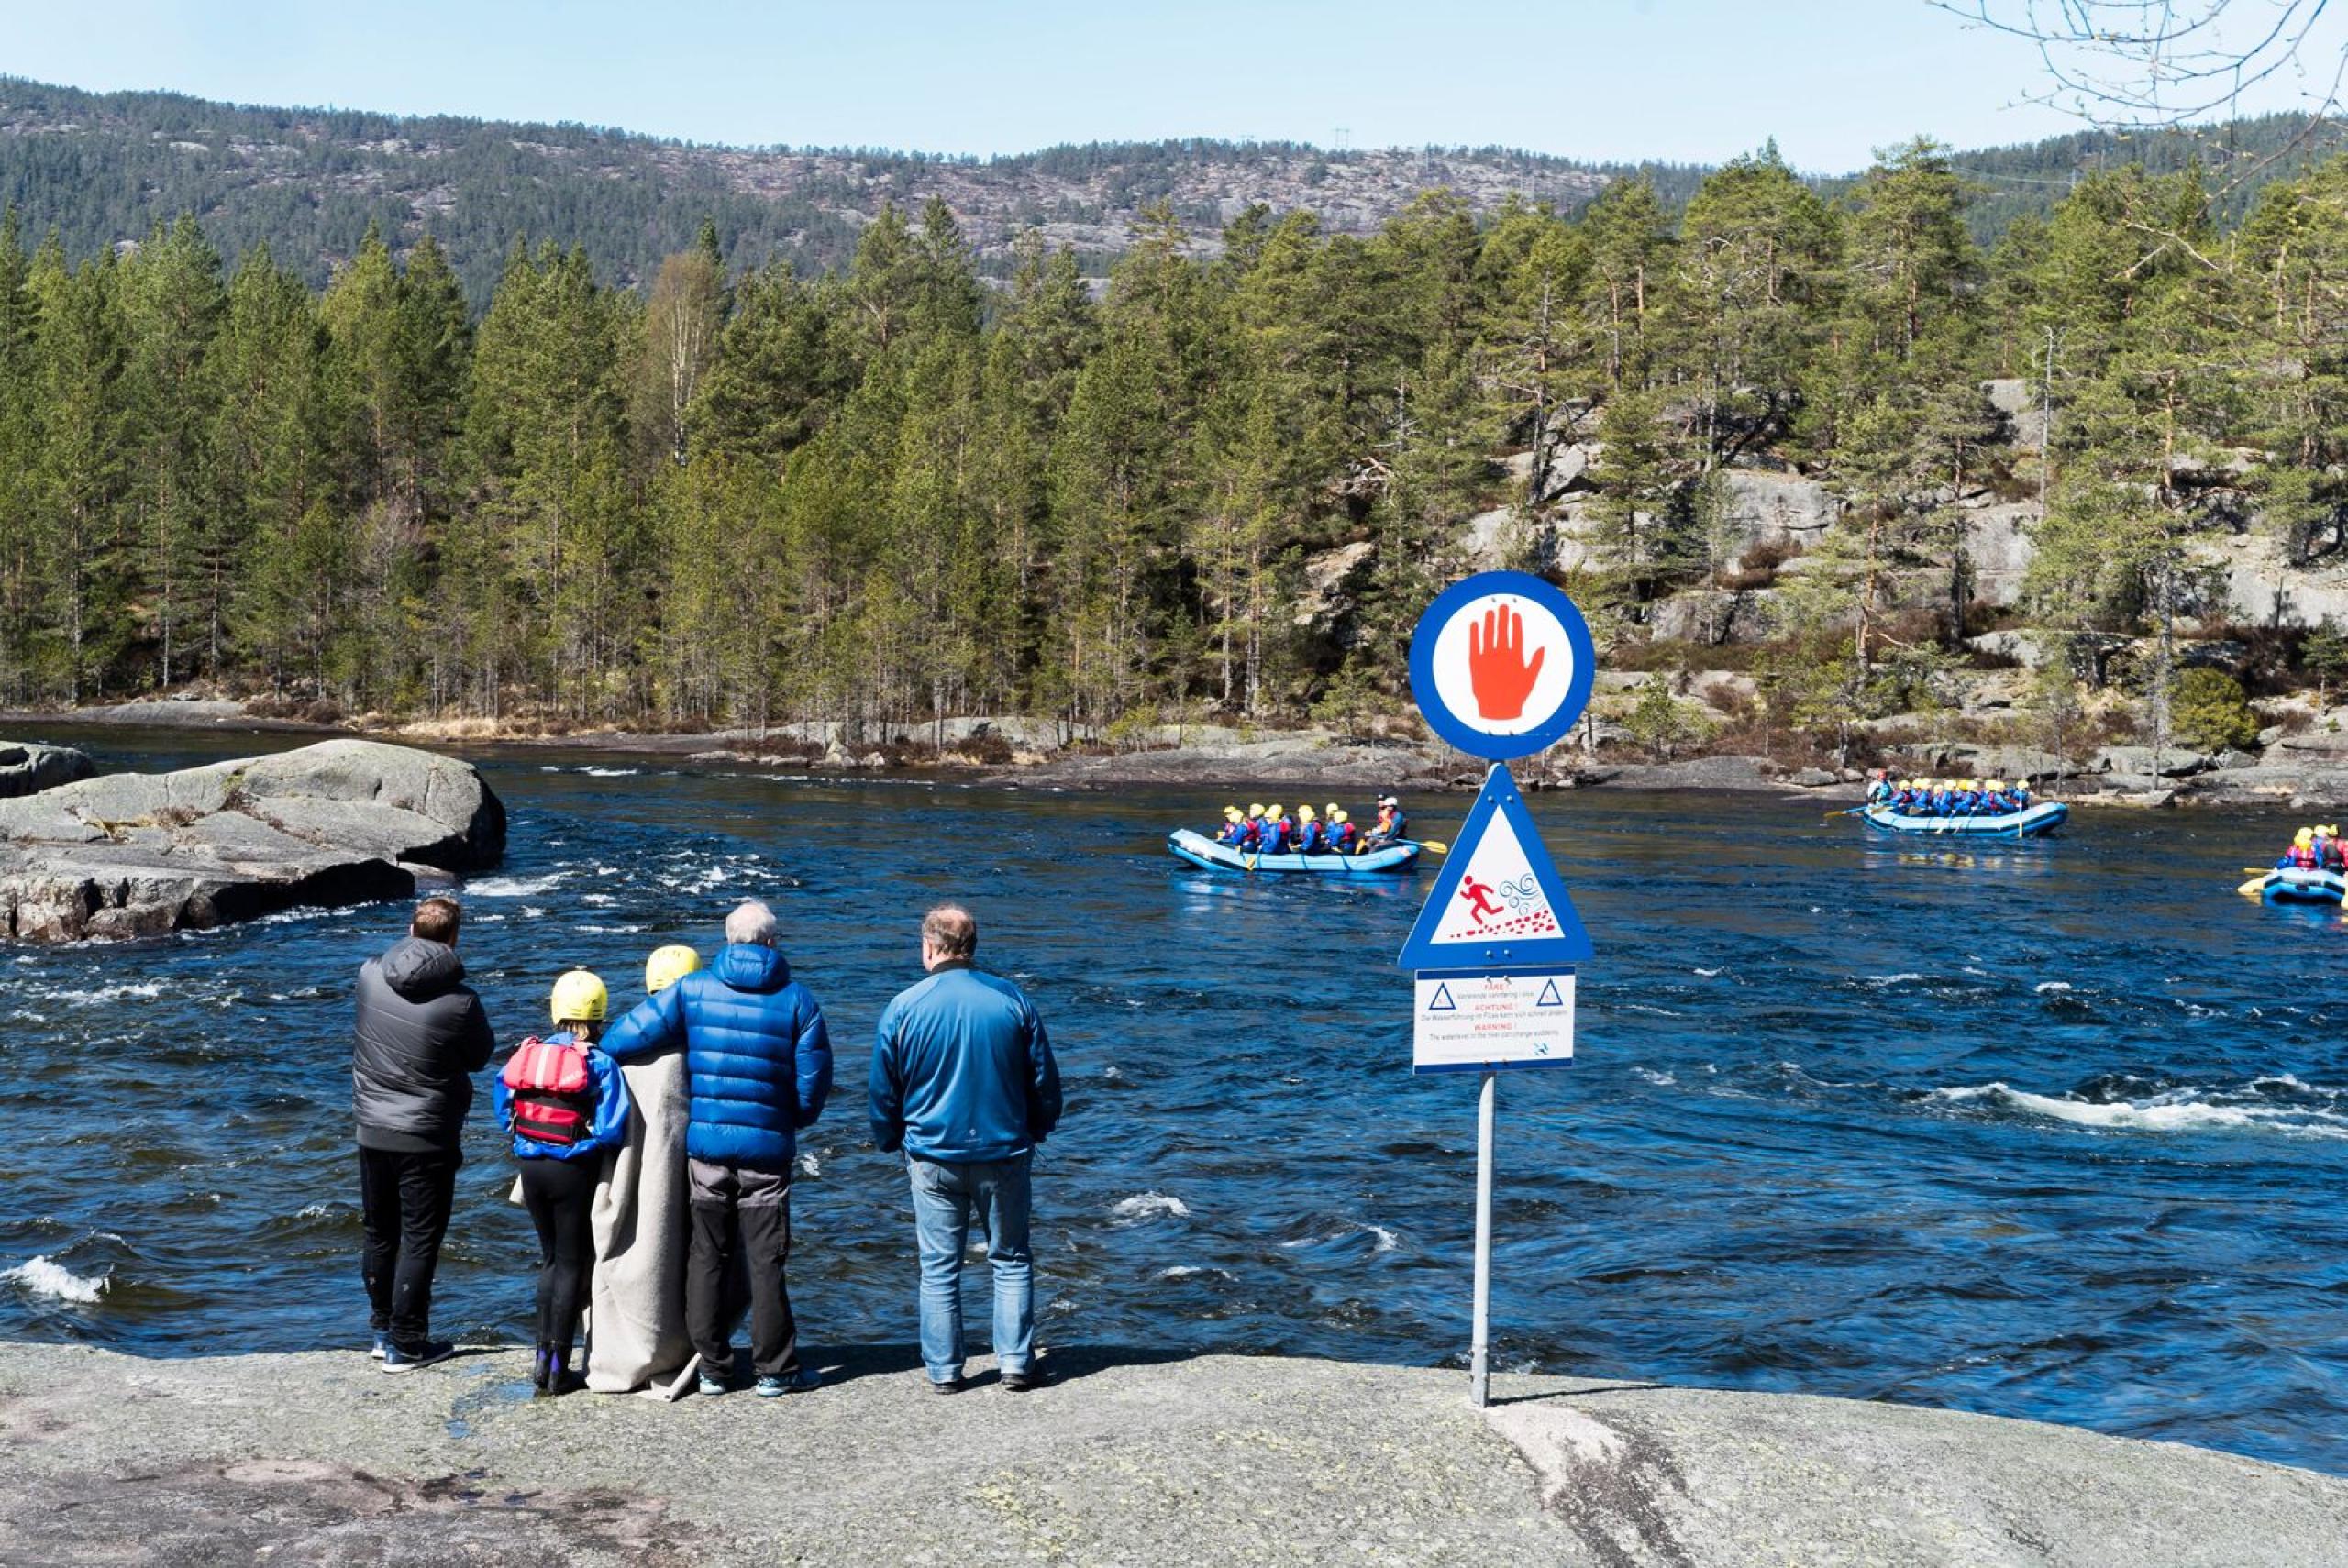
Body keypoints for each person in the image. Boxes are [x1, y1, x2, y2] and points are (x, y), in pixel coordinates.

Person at [604, 900, 833, 1398]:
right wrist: (783, 1119)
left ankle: (713, 1369)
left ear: (728, 939)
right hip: (766, 1156)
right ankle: (776, 1370)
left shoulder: (693, 989)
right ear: (774, 942)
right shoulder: (799, 1001)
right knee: (766, 1261)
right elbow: (813, 1089)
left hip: (705, 1150)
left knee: (706, 1255)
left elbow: (621, 1038)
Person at [869, 905, 1063, 1394]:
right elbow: (1044, 1084)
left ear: (929, 947)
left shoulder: (905, 1005)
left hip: (932, 1154)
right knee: (1012, 1258)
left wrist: (890, 1138)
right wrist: (1037, 1130)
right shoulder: (1012, 999)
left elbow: (883, 1092)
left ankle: (944, 1372)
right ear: (971, 947)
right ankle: (1017, 1363)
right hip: (1004, 1152)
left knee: (939, 1268)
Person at [351, 895, 494, 1373]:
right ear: (453, 939)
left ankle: (380, 1330)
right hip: (427, 1133)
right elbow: (479, 1057)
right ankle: (408, 1343)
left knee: (379, 1233)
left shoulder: (370, 975)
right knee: (418, 1239)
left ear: (411, 930)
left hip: (371, 1127)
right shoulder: (461, 1002)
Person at [494, 969, 633, 1397]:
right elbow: (612, 1128)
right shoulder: (599, 1063)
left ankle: (540, 1360)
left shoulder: (529, 1054)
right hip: (574, 1172)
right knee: (575, 1263)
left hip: (531, 1171)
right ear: (600, 1015)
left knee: (550, 1260)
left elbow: (505, 1112)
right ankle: (559, 1367)